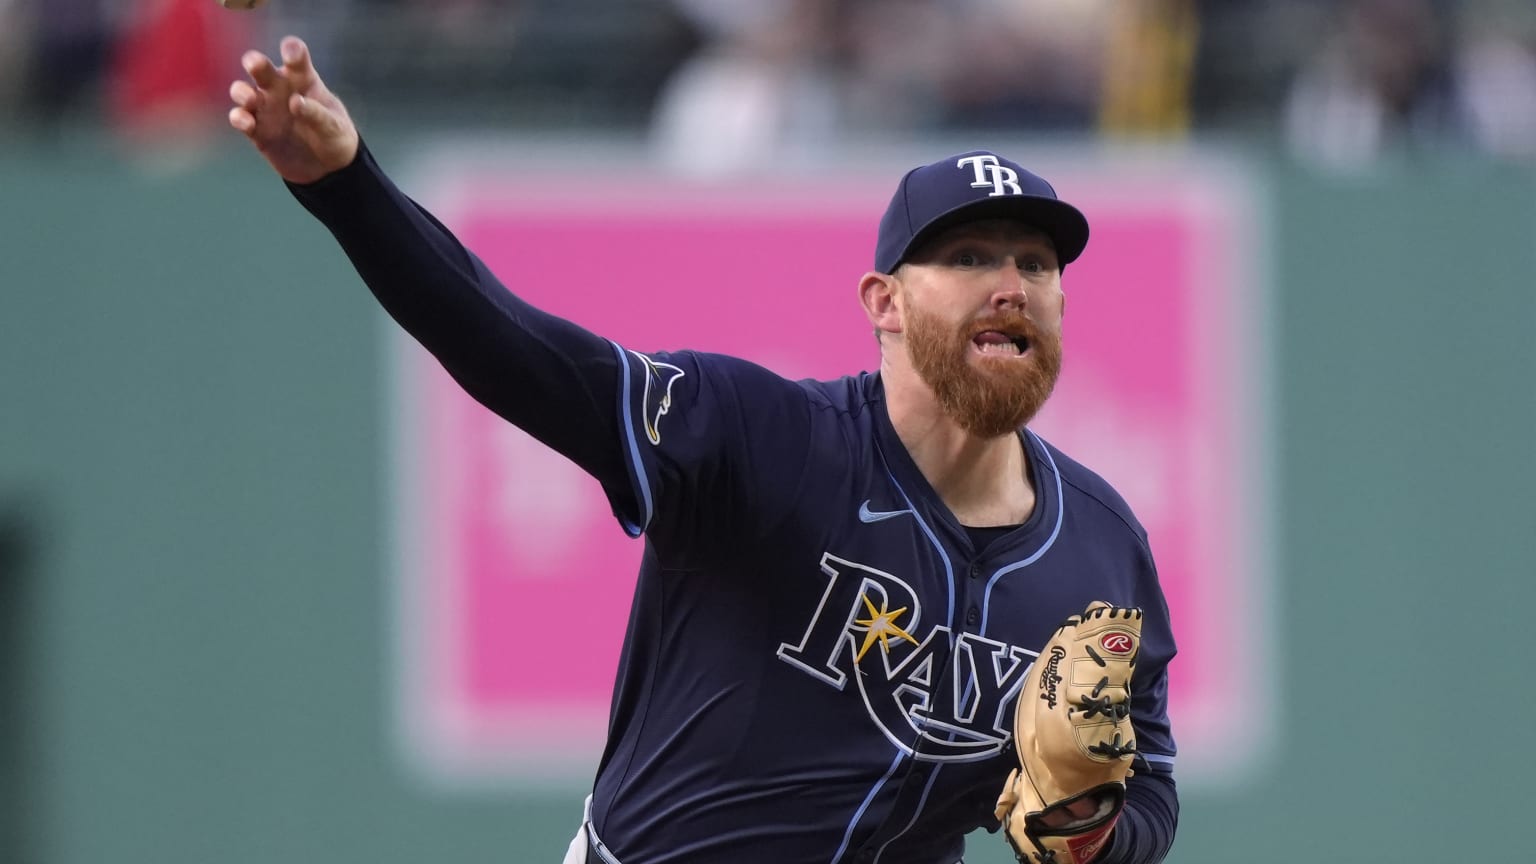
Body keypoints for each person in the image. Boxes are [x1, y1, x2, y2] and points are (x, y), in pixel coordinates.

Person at [228, 35, 1180, 864]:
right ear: (883, 303)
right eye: (969, 258)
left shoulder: (1100, 549)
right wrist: (346, 188)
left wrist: (1091, 830)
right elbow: (520, 354)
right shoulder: (763, 437)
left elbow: (1150, 795)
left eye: (1038, 264)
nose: (1011, 283)